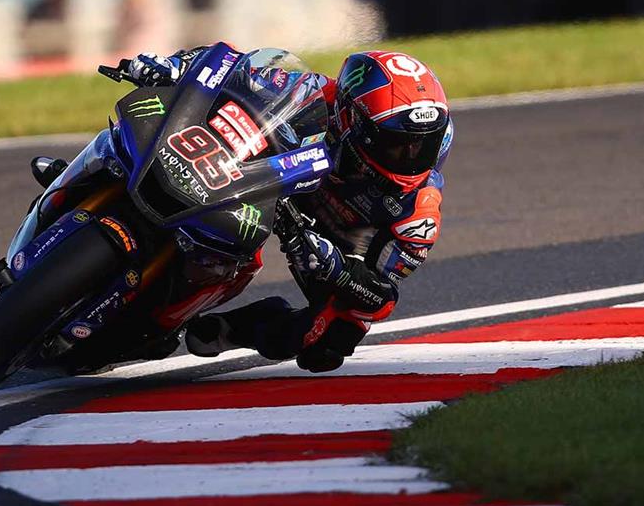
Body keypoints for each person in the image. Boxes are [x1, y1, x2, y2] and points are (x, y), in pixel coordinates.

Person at [113, 47, 452, 372]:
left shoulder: (418, 215)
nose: (411, 154)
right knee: (148, 121)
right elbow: (234, 66)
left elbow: (380, 297)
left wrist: (338, 269)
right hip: (268, 175)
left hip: (325, 244)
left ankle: (233, 329)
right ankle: (68, 176)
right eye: (397, 143)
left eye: (424, 143)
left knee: (328, 344)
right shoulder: (313, 92)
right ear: (354, 120)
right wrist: (176, 67)